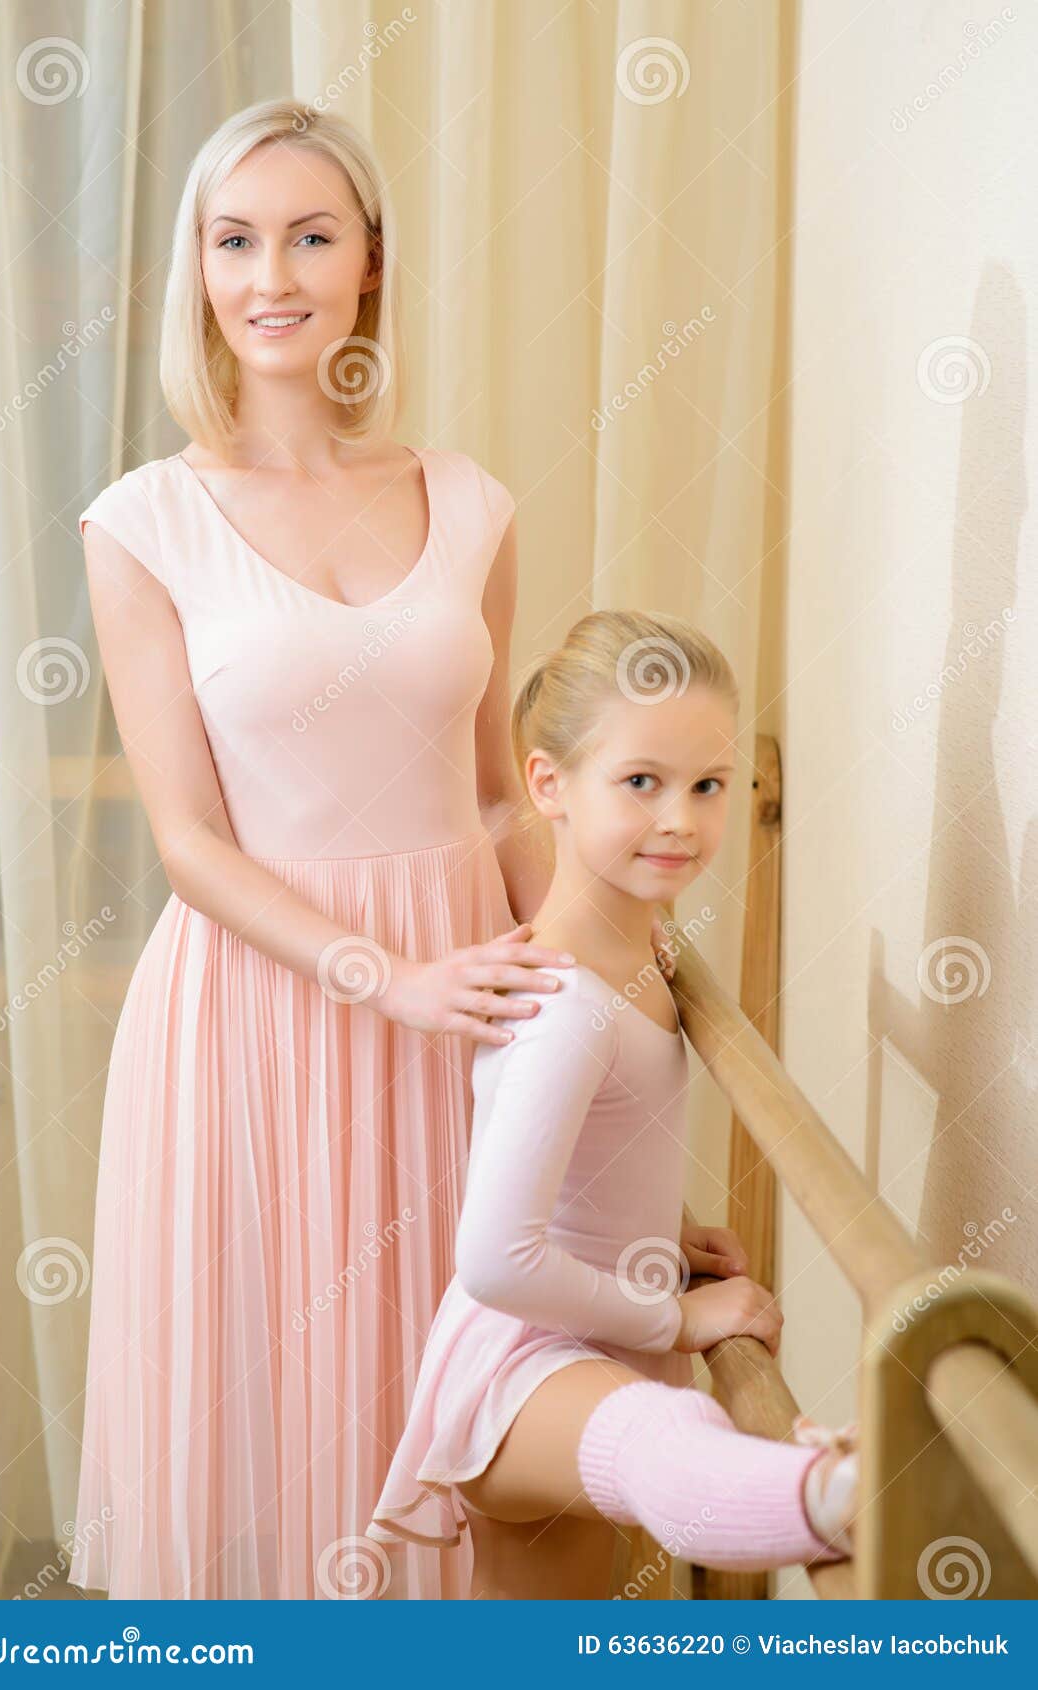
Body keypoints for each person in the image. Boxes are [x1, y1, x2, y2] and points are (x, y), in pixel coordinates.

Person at [69, 98, 580, 1600]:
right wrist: (388, 977)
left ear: (370, 262)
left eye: (310, 236)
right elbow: (188, 839)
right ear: (199, 270)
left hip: (462, 1011)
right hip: (252, 1014)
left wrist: (595, 980)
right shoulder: (143, 523)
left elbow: (497, 796)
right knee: (268, 1418)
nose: (271, 276)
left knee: (449, 1390)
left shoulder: (469, 501)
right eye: (234, 241)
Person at [367, 610, 859, 1599]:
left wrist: (659, 1232)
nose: (680, 818)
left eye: (708, 785)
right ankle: (829, 1491)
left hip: (588, 1336)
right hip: (524, 1366)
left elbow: (585, 1154)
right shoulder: (568, 1009)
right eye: (641, 781)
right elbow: (496, 1258)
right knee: (660, 1437)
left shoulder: (643, 957)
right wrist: (676, 1317)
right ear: (549, 785)